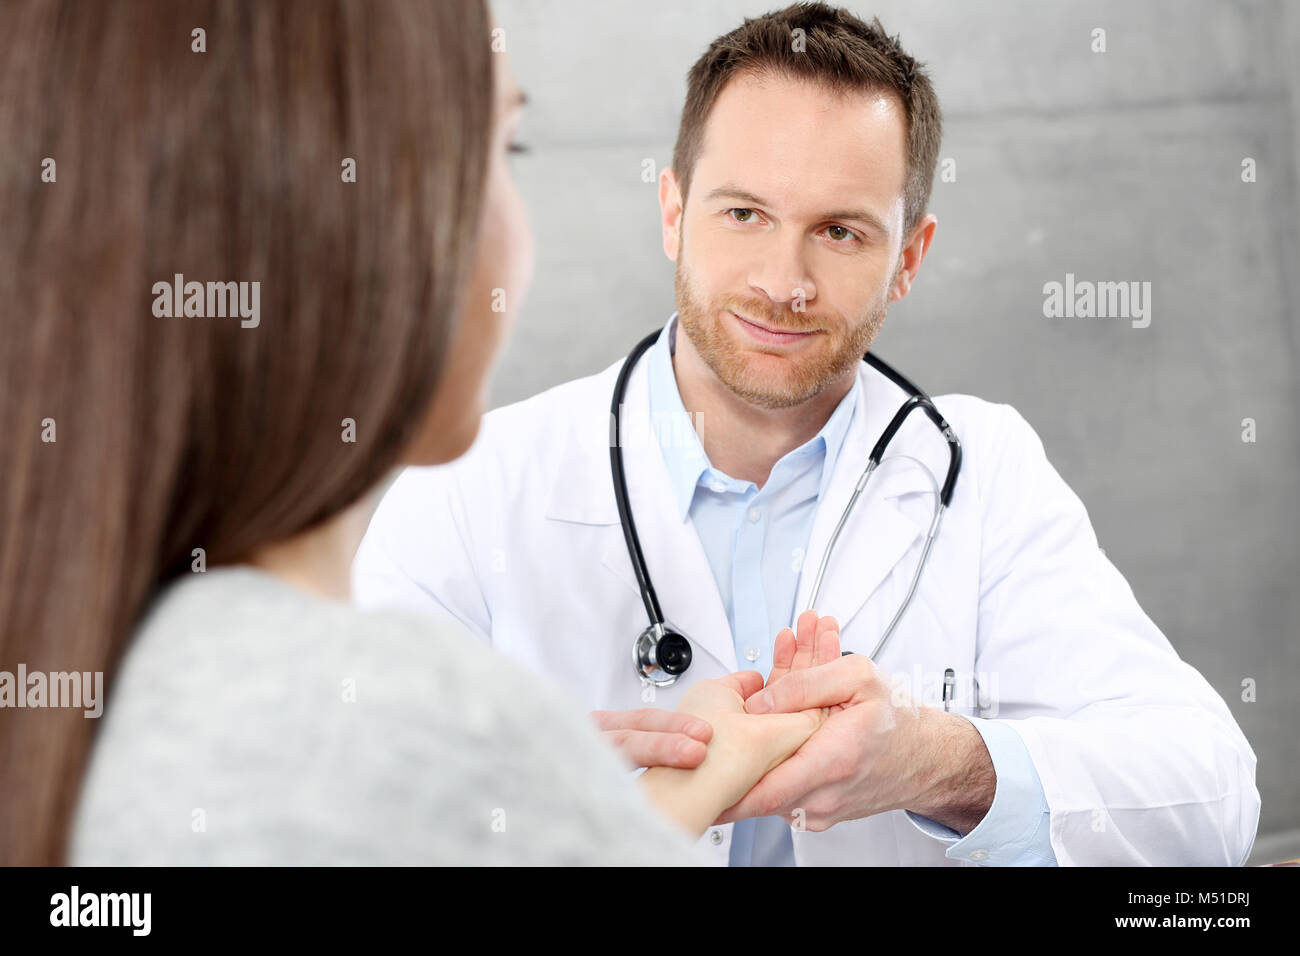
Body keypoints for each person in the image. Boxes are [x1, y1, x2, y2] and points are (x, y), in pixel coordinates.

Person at [353, 2, 1262, 866]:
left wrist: (939, 763)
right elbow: (338, 831)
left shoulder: (983, 473)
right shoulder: (469, 487)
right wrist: (552, 818)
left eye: (839, 231)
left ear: (908, 258)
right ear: (672, 212)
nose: (782, 282)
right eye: (743, 213)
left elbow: (1210, 801)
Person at [0, 0, 826, 866]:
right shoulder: (404, 732)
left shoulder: (72, 678)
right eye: (501, 153)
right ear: (345, 221)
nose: (785, 282)